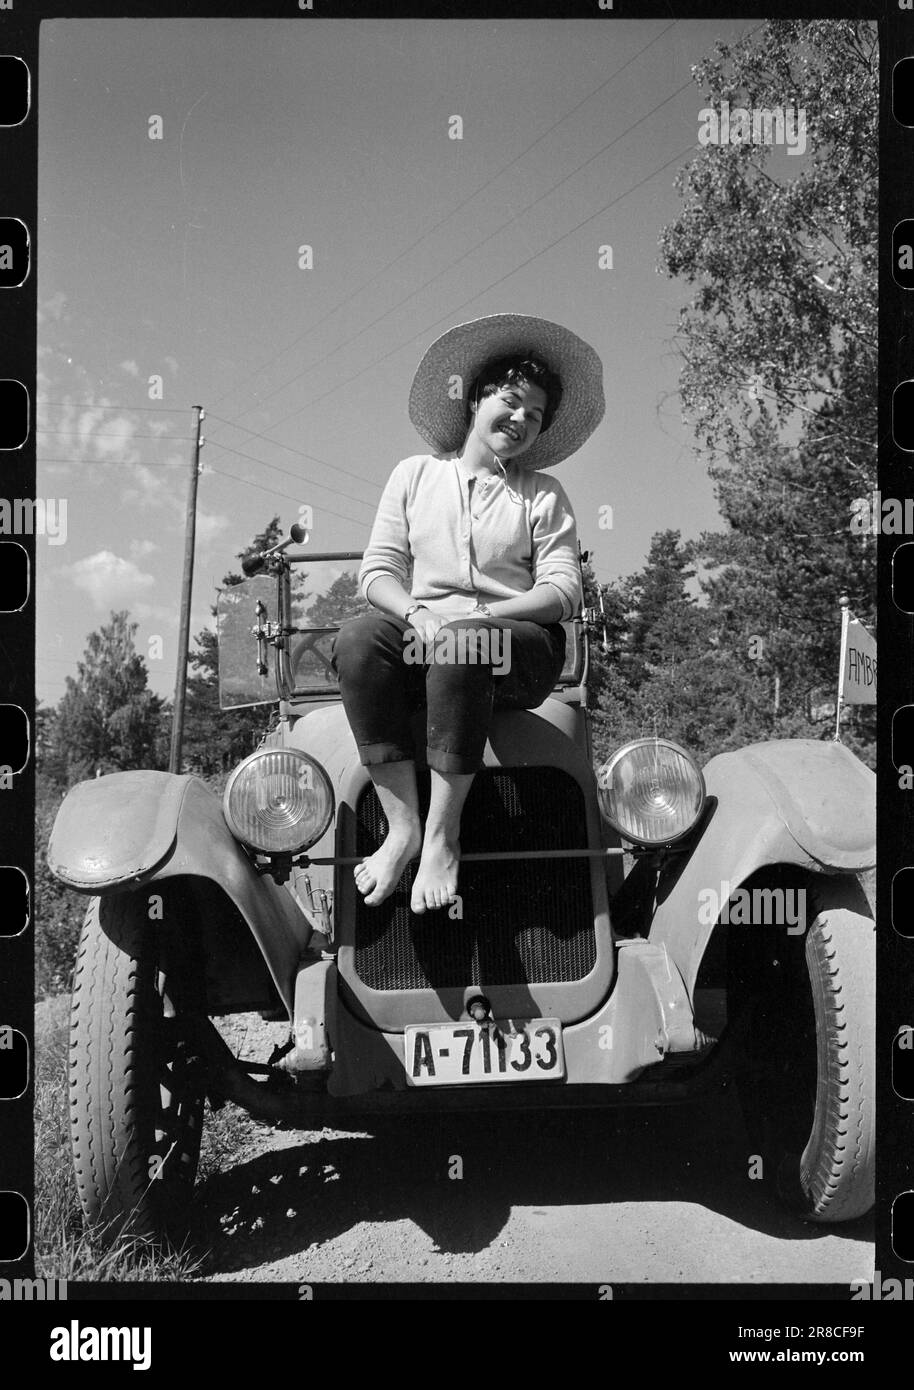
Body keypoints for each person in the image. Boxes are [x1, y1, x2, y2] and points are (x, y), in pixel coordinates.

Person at [331, 312, 604, 915]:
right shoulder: (414, 475)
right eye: (510, 403)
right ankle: (401, 826)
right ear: (475, 401)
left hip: (521, 651)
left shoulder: (543, 492)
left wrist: (477, 619)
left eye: (535, 415)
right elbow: (376, 574)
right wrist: (420, 613)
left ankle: (441, 836)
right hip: (425, 645)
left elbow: (563, 591)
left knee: (466, 646)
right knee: (357, 641)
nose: (521, 420)